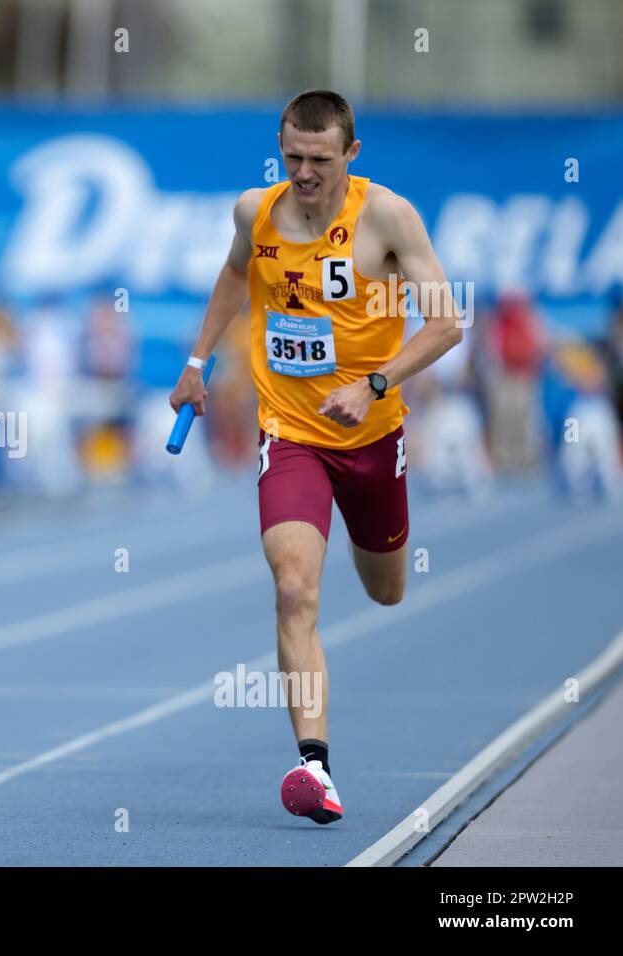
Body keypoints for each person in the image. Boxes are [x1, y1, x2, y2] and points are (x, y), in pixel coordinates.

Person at [169, 90, 463, 824]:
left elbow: (447, 325)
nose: (303, 172)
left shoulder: (388, 218)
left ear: (351, 154)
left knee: (386, 589)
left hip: (371, 435)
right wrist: (198, 360)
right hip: (291, 434)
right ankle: (314, 768)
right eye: (292, 156)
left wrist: (373, 385)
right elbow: (237, 275)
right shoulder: (254, 212)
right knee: (294, 589)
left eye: (320, 159)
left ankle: (382, 539)